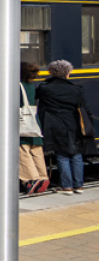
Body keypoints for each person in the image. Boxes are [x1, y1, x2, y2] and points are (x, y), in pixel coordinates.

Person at [37, 59, 94, 194]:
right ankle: (79, 185)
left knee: (62, 155)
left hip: (55, 125)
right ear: (67, 73)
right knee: (76, 154)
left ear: (51, 73)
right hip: (74, 124)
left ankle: (66, 186)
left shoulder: (45, 88)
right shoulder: (76, 89)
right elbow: (84, 108)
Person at [18, 61, 50, 195]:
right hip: (33, 122)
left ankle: (32, 179)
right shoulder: (31, 86)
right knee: (37, 151)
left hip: (22, 122)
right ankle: (43, 177)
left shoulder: (17, 86)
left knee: (23, 152)